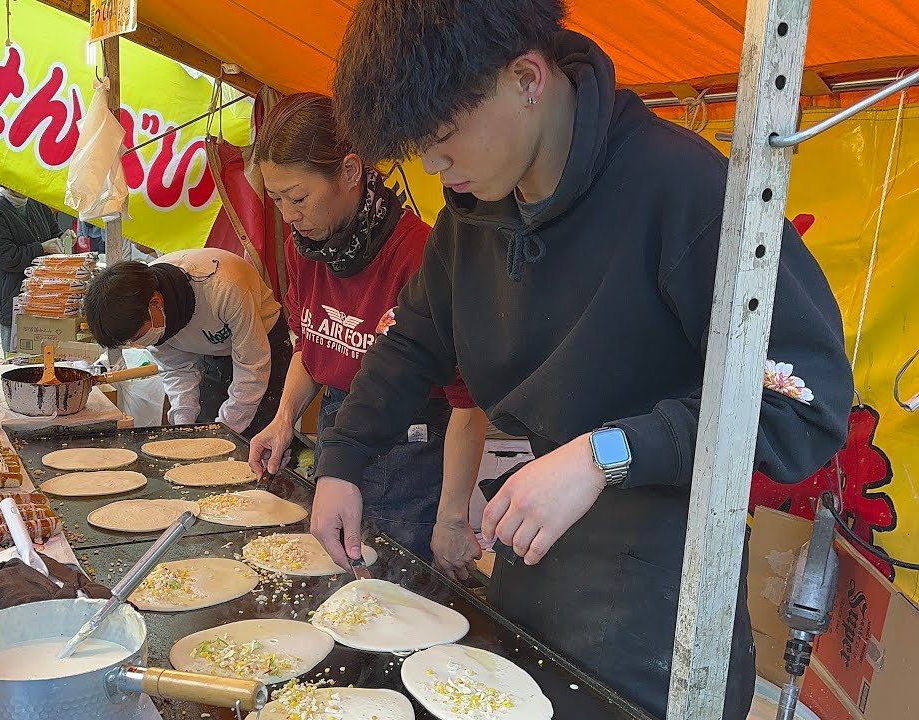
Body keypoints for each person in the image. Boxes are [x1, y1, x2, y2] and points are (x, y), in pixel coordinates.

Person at [311, 3, 854, 718]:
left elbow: (802, 403)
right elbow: (414, 340)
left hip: (664, 598)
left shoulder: (684, 190)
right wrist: (342, 462)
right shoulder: (473, 211)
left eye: (442, 139)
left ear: (527, 79)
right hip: (531, 559)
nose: (433, 166)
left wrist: (608, 453)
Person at [247, 93, 486, 563]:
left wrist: (451, 519)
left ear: (351, 172)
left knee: (392, 585)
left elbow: (468, 404)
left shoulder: (419, 257)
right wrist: (283, 419)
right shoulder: (306, 246)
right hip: (339, 429)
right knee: (332, 577)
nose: (289, 216)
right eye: (275, 200)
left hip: (412, 439)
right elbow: (311, 347)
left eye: (298, 197)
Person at [84, 249, 291, 438]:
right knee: (203, 425)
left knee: (257, 436)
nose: (137, 344)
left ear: (155, 304)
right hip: (212, 351)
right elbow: (177, 370)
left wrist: (224, 430)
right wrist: (182, 428)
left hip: (264, 345)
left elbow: (251, 368)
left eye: (137, 336)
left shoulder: (224, 288)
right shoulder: (145, 308)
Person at [0, 187, 63, 353]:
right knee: (15, 359)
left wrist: (64, 238)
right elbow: (6, 257)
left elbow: (54, 232)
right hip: (11, 295)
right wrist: (41, 248)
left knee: (42, 356)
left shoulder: (37, 204)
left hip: (42, 295)